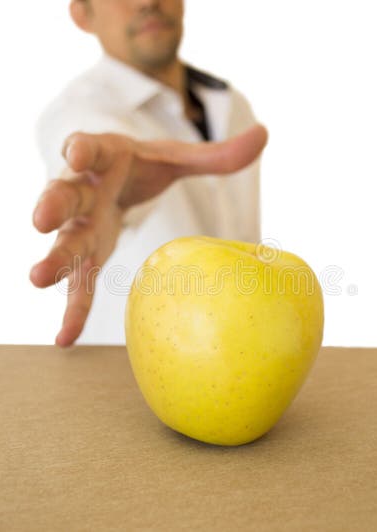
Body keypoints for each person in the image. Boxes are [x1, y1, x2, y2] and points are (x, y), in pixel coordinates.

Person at [31, 0, 267, 347]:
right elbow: (78, 137)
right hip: (124, 370)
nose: (147, 1)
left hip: (244, 356)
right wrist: (99, 179)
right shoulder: (81, 109)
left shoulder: (231, 104)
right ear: (83, 14)